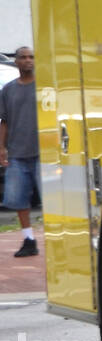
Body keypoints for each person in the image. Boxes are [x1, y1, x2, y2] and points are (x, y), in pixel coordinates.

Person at [0, 46, 41, 257]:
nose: (28, 61)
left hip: (44, 154)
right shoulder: (8, 90)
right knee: (18, 200)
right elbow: (4, 121)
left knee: (52, 199)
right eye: (23, 57)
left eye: (31, 57)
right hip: (17, 153)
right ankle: (29, 239)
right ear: (15, 61)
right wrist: (2, 148)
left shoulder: (44, 87)